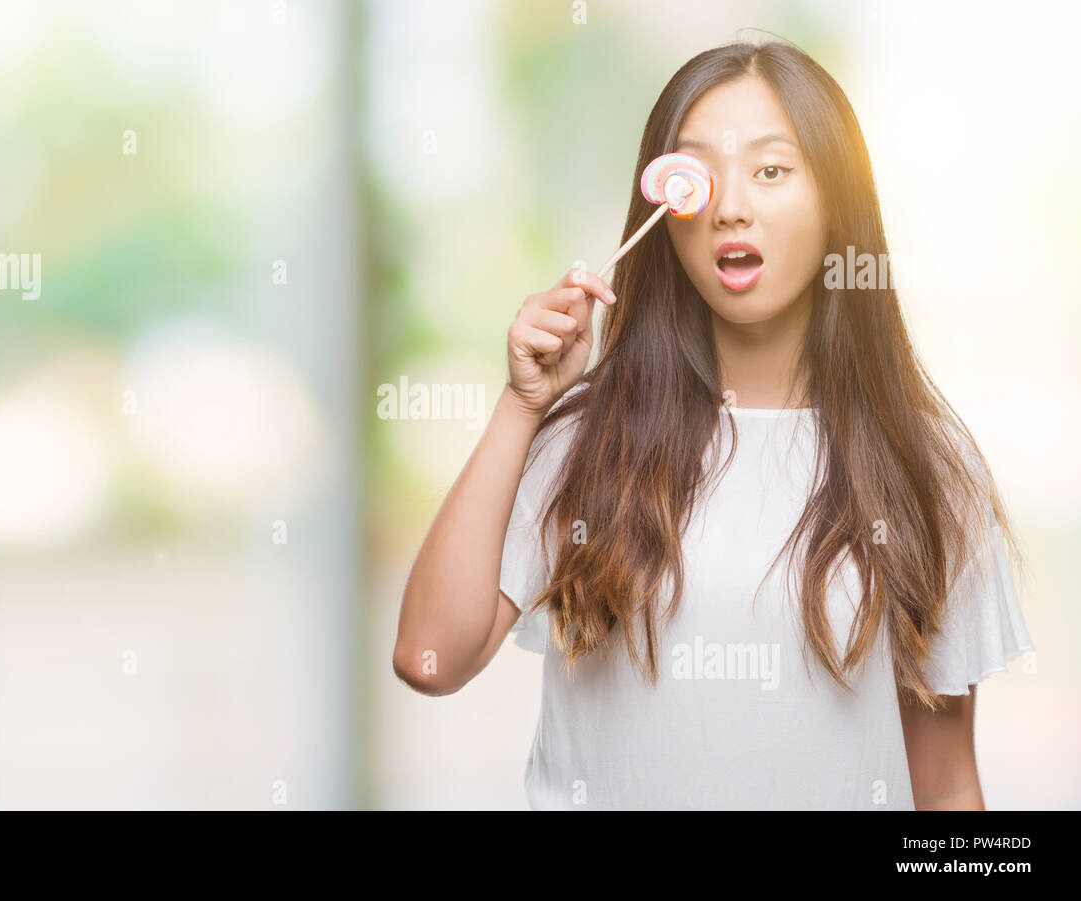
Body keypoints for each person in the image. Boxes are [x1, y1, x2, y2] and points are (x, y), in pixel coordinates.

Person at [391, 40, 1034, 810]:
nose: (733, 206)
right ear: (666, 213)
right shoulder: (587, 438)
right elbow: (429, 659)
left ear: (837, 200)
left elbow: (947, 786)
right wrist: (522, 406)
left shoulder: (922, 461)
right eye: (703, 175)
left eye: (771, 170)